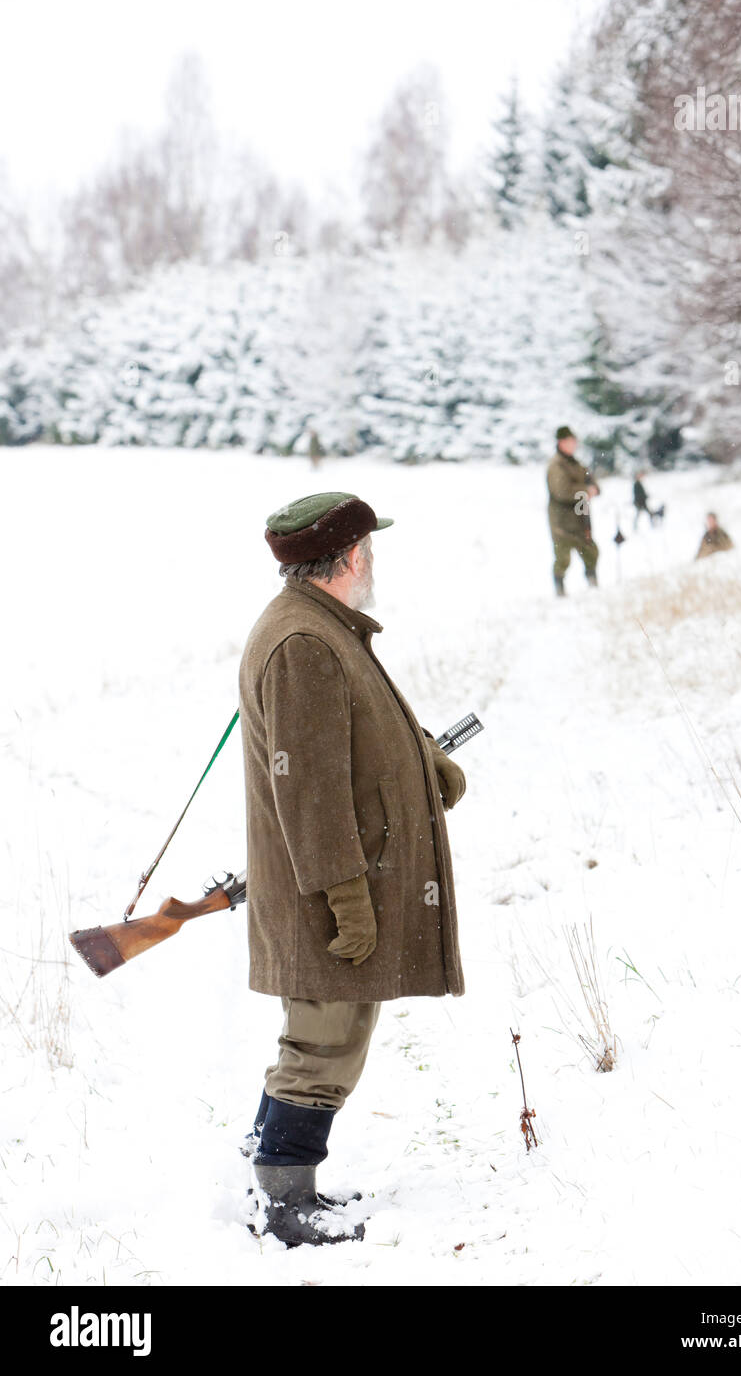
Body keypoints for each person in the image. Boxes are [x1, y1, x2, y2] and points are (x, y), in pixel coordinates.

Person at [238, 491, 466, 1249]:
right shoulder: (304, 643)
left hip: (331, 882)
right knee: (325, 1038)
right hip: (327, 887)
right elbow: (310, 792)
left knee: (326, 1028)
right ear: (350, 558)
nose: (374, 563)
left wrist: (418, 762)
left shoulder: (321, 628)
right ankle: (283, 1198)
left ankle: (270, 1162)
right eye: (371, 550)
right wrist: (348, 900)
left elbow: (348, 744)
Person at [547, 425, 600, 594]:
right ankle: (559, 589)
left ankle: (593, 584)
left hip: (580, 516)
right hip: (562, 519)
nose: (574, 445)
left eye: (574, 442)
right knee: (563, 557)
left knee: (590, 551)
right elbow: (561, 491)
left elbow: (592, 481)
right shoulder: (556, 465)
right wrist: (585, 491)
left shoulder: (575, 464)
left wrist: (592, 488)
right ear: (561, 443)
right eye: (570, 442)